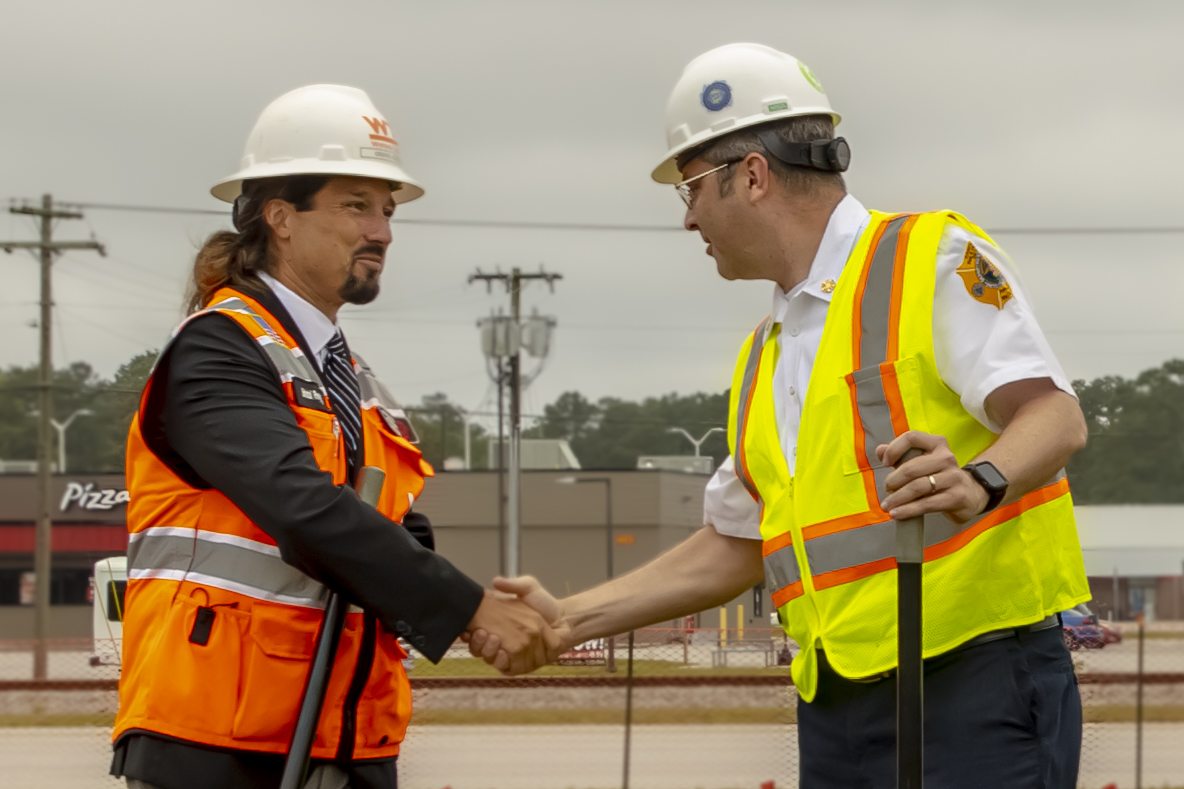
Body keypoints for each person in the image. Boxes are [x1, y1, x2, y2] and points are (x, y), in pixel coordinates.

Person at [472, 44, 1091, 789]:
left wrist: (980, 478)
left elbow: (1053, 416)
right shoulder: (765, 355)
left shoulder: (929, 258)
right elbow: (734, 544)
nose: (689, 218)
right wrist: (567, 619)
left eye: (691, 188)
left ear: (754, 176)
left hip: (973, 678)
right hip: (838, 703)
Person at [111, 84, 558, 789]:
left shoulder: (347, 373)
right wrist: (470, 610)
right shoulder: (219, 351)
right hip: (218, 740)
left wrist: (452, 585)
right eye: (356, 205)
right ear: (281, 217)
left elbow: (392, 530)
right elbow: (306, 509)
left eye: (386, 210)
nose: (381, 231)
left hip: (341, 733)